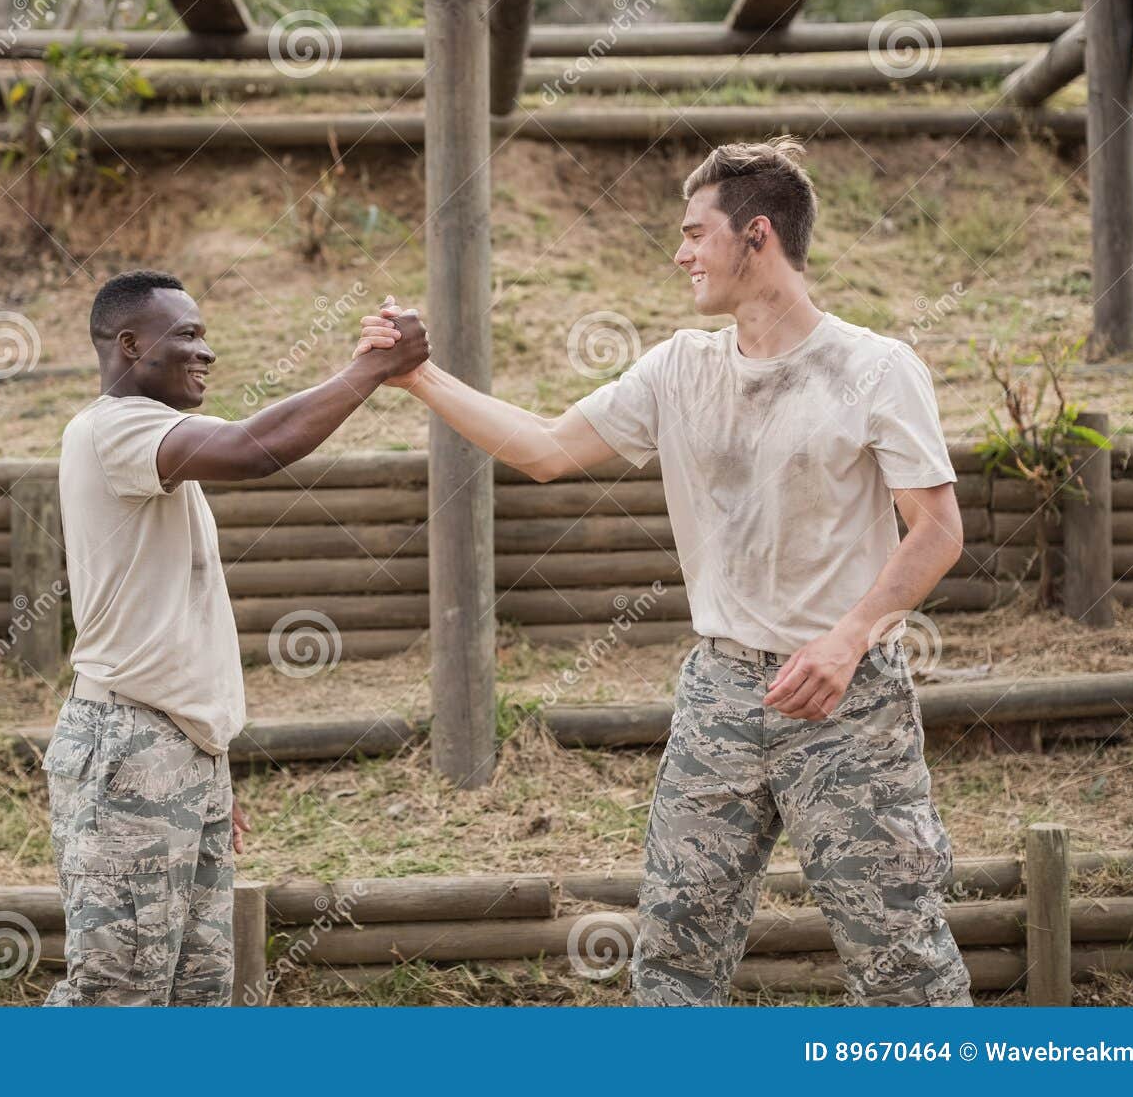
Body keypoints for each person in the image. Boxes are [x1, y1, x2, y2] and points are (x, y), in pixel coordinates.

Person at [358, 139, 971, 1006]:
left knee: (899, 950)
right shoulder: (679, 367)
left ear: (756, 235)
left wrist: (849, 634)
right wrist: (418, 376)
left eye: (695, 233)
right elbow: (543, 449)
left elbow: (938, 529)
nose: (681, 253)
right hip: (720, 694)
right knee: (675, 953)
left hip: (848, 701)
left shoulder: (874, 368)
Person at [44, 269, 427, 1006]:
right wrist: (372, 367)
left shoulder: (156, 450)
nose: (207, 351)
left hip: (175, 751)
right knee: (117, 999)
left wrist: (203, 754)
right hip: (127, 748)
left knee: (197, 995)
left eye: (204, 334)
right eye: (186, 334)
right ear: (129, 345)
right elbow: (259, 447)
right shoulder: (112, 429)